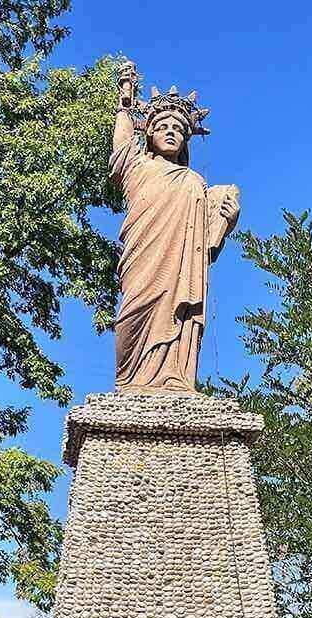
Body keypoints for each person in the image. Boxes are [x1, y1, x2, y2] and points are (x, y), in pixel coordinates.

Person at [110, 67, 240, 393]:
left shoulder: (195, 182)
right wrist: (125, 107)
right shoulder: (138, 166)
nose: (170, 132)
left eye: (178, 128)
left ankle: (175, 378)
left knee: (178, 315)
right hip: (143, 258)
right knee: (131, 315)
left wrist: (226, 220)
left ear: (185, 140)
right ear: (149, 133)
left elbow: (205, 247)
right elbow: (121, 149)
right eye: (162, 126)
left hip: (180, 270)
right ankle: (131, 382)